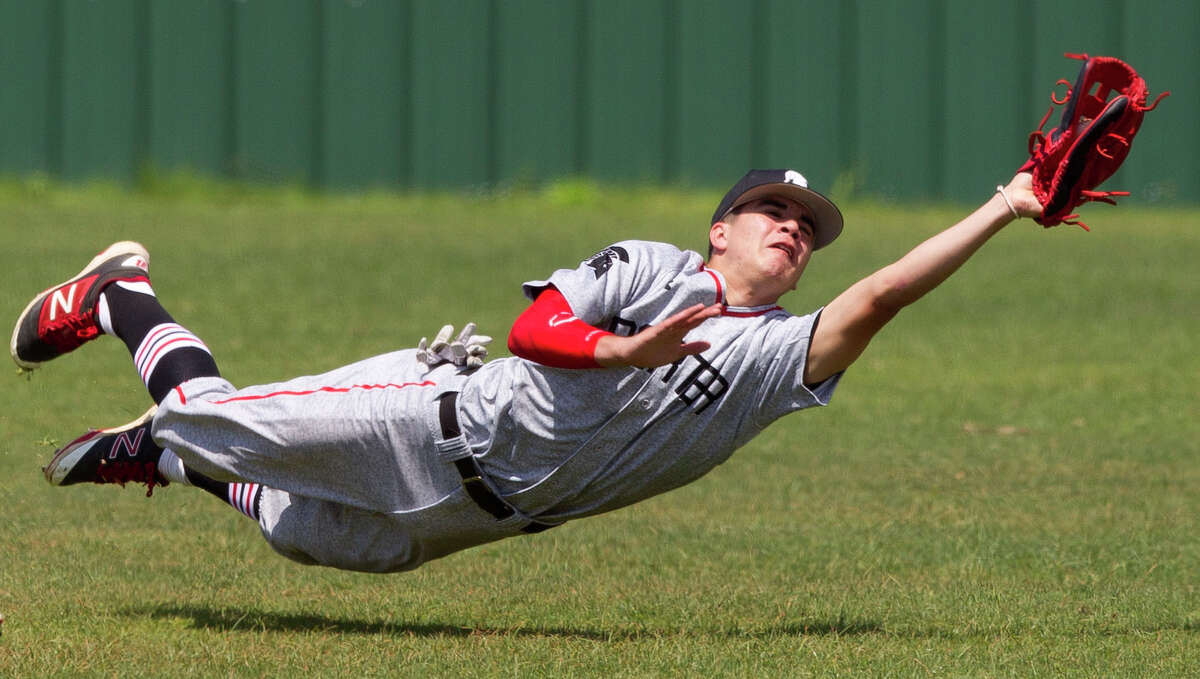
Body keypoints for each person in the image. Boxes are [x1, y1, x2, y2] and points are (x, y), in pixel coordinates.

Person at [12, 169, 1043, 573]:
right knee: (217, 419)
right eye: (774, 212)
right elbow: (533, 327)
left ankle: (165, 455)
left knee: (300, 534)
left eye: (807, 227)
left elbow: (885, 294)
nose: (793, 230)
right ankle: (119, 298)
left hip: (479, 516)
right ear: (721, 228)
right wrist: (626, 349)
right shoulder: (654, 268)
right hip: (429, 415)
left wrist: (1004, 205)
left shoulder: (777, 360)